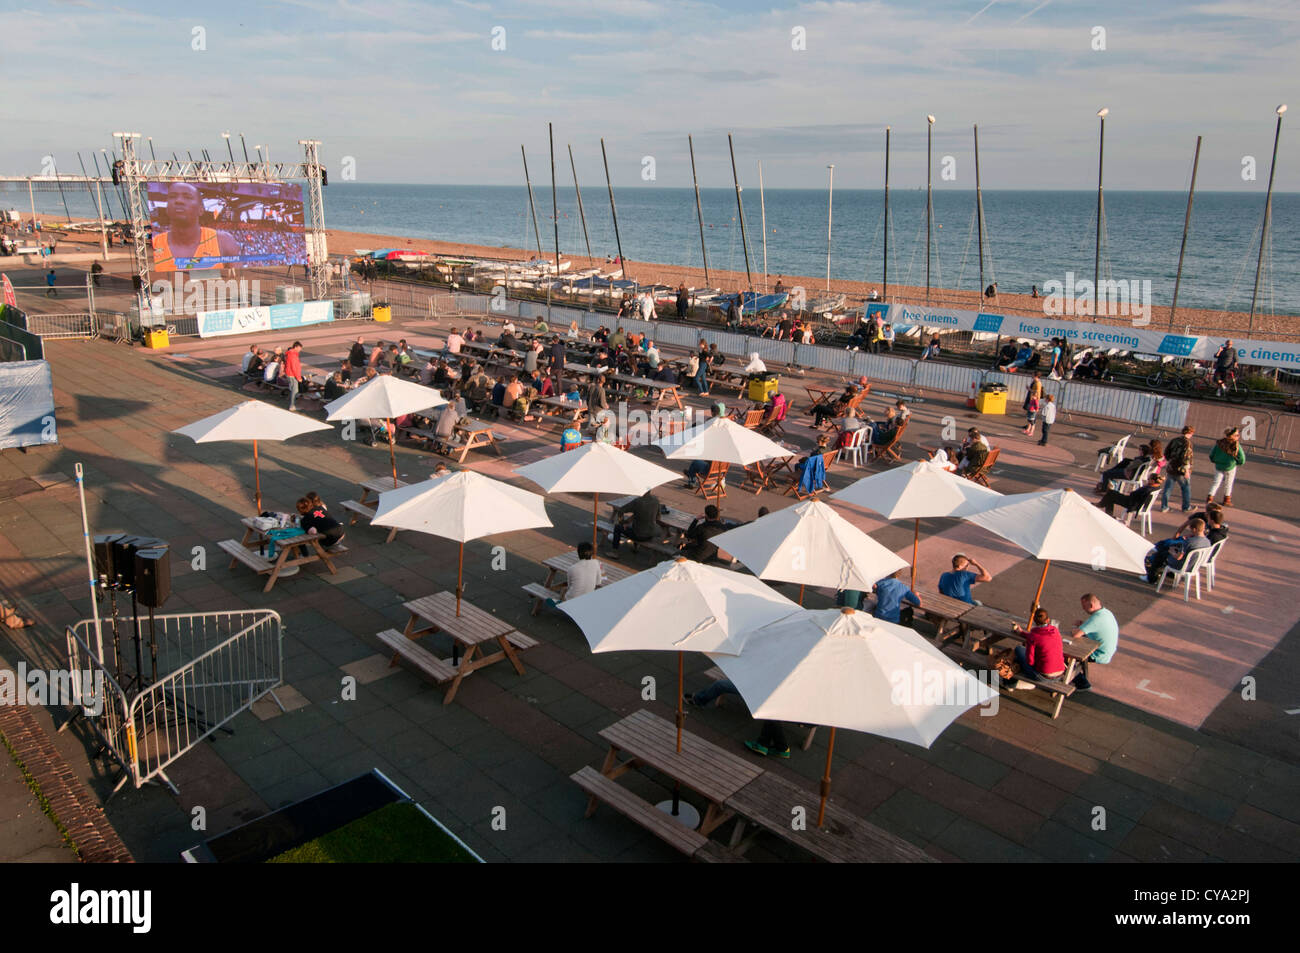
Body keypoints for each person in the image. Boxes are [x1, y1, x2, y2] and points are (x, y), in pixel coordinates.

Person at [152, 182, 242, 271]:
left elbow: (241, 283)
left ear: (201, 210)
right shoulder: (153, 245)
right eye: (173, 196)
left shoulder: (223, 241)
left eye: (187, 197)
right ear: (167, 208)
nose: (178, 201)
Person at [1068, 594, 1118, 690]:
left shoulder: (1096, 618)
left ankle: (1081, 682)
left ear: (1091, 605)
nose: (1083, 609)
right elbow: (1094, 627)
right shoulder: (1106, 613)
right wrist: (1083, 625)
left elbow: (1076, 634)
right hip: (1105, 650)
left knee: (1067, 656)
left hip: (1098, 653)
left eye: (1084, 606)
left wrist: (1075, 628)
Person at [1008, 609, 1065, 689]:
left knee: (1018, 650)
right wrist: (1022, 633)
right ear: (1048, 620)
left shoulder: (1034, 636)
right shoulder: (1055, 631)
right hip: (1060, 675)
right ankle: (1012, 682)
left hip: (1043, 677)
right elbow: (1041, 638)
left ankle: (1011, 683)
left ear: (1034, 621)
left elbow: (1030, 662)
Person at [1144, 517, 1212, 585]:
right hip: (1194, 566)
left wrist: (1171, 551)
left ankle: (1151, 579)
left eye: (1191, 530)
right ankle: (1156, 570)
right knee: (1167, 550)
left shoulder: (1190, 542)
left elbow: (1178, 557)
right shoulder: (1207, 542)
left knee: (1162, 554)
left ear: (1194, 529)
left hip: (1182, 566)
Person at [547, 542, 603, 607]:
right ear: (592, 552)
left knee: (564, 589)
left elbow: (569, 585)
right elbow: (598, 582)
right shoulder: (596, 563)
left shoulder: (572, 568)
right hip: (587, 598)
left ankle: (561, 603)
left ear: (578, 553)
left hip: (572, 599)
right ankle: (561, 603)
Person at [1206, 427, 1245, 506]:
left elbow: (1212, 454)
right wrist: (1238, 463)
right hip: (1230, 466)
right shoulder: (1236, 445)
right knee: (1228, 483)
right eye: (1237, 435)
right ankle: (1227, 500)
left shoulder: (1220, 443)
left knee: (1216, 482)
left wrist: (1215, 460)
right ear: (1232, 436)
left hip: (1219, 466)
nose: (1238, 436)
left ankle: (1210, 497)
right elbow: (1242, 458)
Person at [1097, 472, 1162, 518]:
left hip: (1132, 504)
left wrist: (1142, 487)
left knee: (1111, 494)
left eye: (1149, 479)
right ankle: (1108, 513)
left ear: (1153, 481)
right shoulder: (1157, 487)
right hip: (1139, 504)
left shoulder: (1147, 489)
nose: (1147, 480)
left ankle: (1103, 506)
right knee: (1112, 494)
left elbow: (1133, 494)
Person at [1160, 426, 1195, 512]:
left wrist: (1171, 461)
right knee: (1185, 488)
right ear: (1191, 433)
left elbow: (1166, 452)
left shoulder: (1174, 440)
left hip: (1171, 467)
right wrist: (1186, 470)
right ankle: (1186, 507)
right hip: (1181, 470)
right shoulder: (1187, 443)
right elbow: (1186, 458)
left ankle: (1164, 506)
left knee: (1168, 488)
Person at [283, 341, 304, 412]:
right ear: (295, 347)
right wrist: (298, 378)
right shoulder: (293, 355)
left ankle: (292, 404)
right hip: (292, 375)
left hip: (289, 373)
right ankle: (292, 406)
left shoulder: (290, 354)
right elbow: (294, 367)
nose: (300, 350)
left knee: (293, 389)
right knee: (295, 390)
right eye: (299, 348)